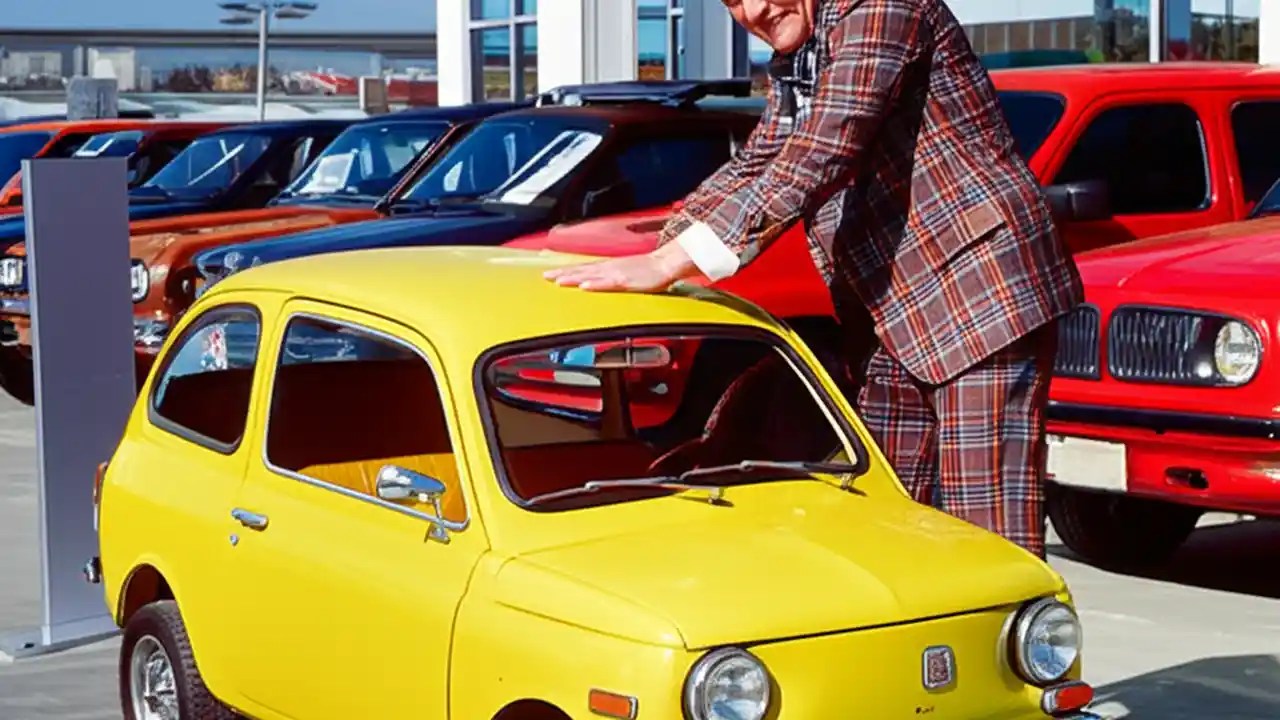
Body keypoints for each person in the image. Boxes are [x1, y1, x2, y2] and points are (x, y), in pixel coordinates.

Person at [543, 0, 1082, 559]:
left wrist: (671, 264)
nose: (754, 11)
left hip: (980, 293)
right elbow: (761, 159)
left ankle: (1021, 621)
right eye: (732, 2)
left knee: (989, 543)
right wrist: (656, 252)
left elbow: (825, 145)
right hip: (889, 313)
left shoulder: (879, 7)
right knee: (887, 527)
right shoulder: (802, 51)